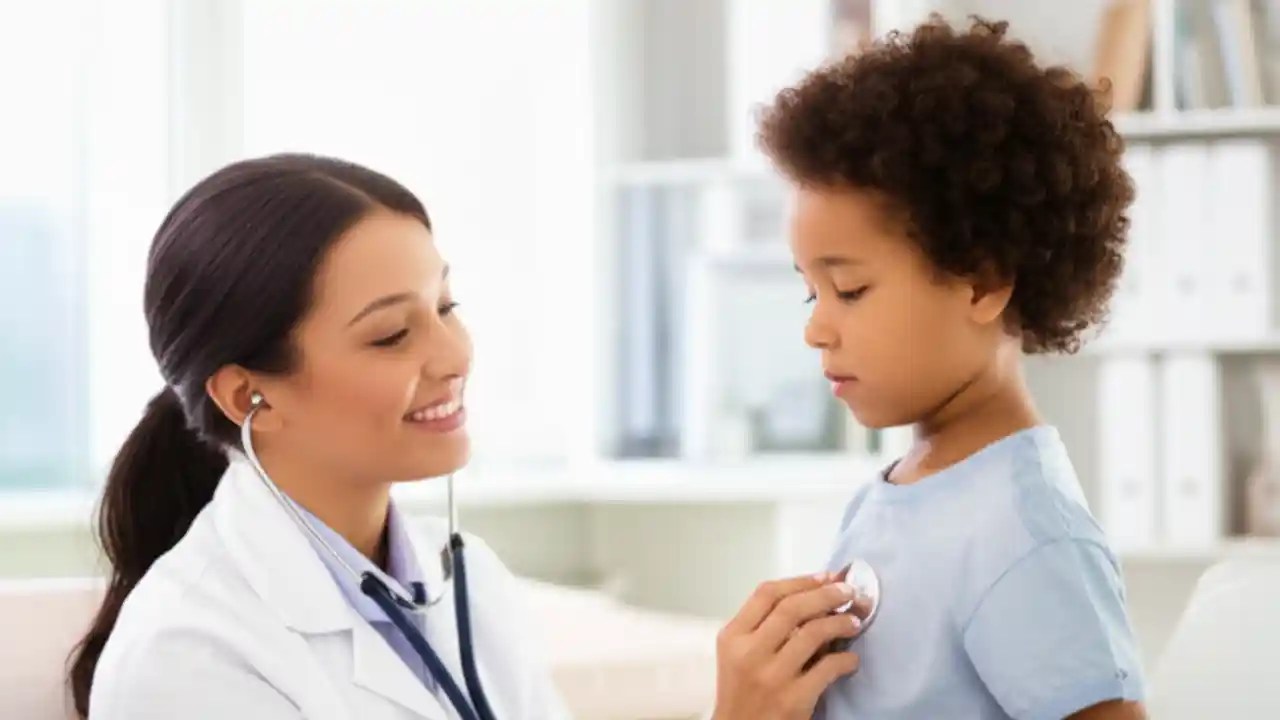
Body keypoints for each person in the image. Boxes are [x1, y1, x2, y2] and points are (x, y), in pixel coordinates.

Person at [67, 154, 863, 719]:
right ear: (251, 395)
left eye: (444, 307)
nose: (454, 356)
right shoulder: (189, 658)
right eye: (389, 336)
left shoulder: (468, 584)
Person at [755, 15, 1148, 720]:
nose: (815, 327)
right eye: (811, 291)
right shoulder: (901, 491)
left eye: (850, 291)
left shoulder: (1026, 537)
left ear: (980, 282)